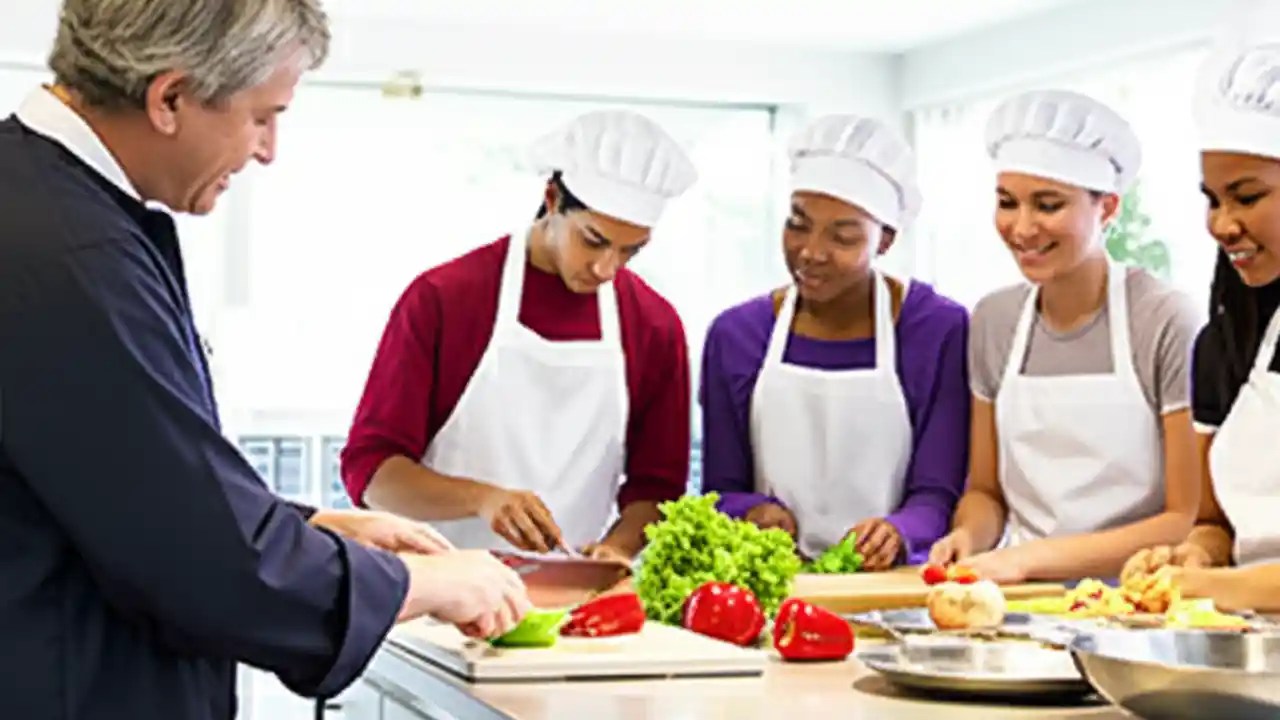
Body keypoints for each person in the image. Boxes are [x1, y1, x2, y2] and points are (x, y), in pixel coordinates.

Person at [0, 2, 530, 718]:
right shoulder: (70, 254)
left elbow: (115, 486)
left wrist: (305, 527)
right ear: (171, 97)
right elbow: (202, 566)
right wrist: (416, 584)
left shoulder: (43, 204)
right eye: (262, 116)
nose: (269, 149)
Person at [341, 110, 697, 561]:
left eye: (631, 251)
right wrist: (483, 499)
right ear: (551, 199)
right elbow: (372, 476)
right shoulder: (445, 299)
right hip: (435, 600)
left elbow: (657, 489)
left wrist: (617, 549)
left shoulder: (654, 325)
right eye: (593, 240)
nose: (607, 268)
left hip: (575, 604)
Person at [928, 89, 1204, 583]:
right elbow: (986, 492)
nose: (1023, 227)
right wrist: (969, 537)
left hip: (1139, 598)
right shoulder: (995, 321)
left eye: (1049, 205)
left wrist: (1027, 559)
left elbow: (1183, 518)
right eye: (1007, 203)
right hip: (1017, 597)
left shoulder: (1162, 318)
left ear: (1108, 208)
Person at [699, 114, 971, 570]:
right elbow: (719, 490)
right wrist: (752, 512)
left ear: (885, 239)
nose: (811, 251)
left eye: (843, 237)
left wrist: (899, 531)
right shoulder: (737, 334)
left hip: (895, 587)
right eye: (798, 224)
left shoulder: (938, 328)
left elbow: (939, 492)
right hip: (772, 583)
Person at [1122, 1, 1280, 612]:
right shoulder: (1228, 340)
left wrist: (1212, 587)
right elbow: (1216, 522)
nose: (1221, 224)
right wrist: (1194, 555)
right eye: (1211, 199)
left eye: (1246, 196)